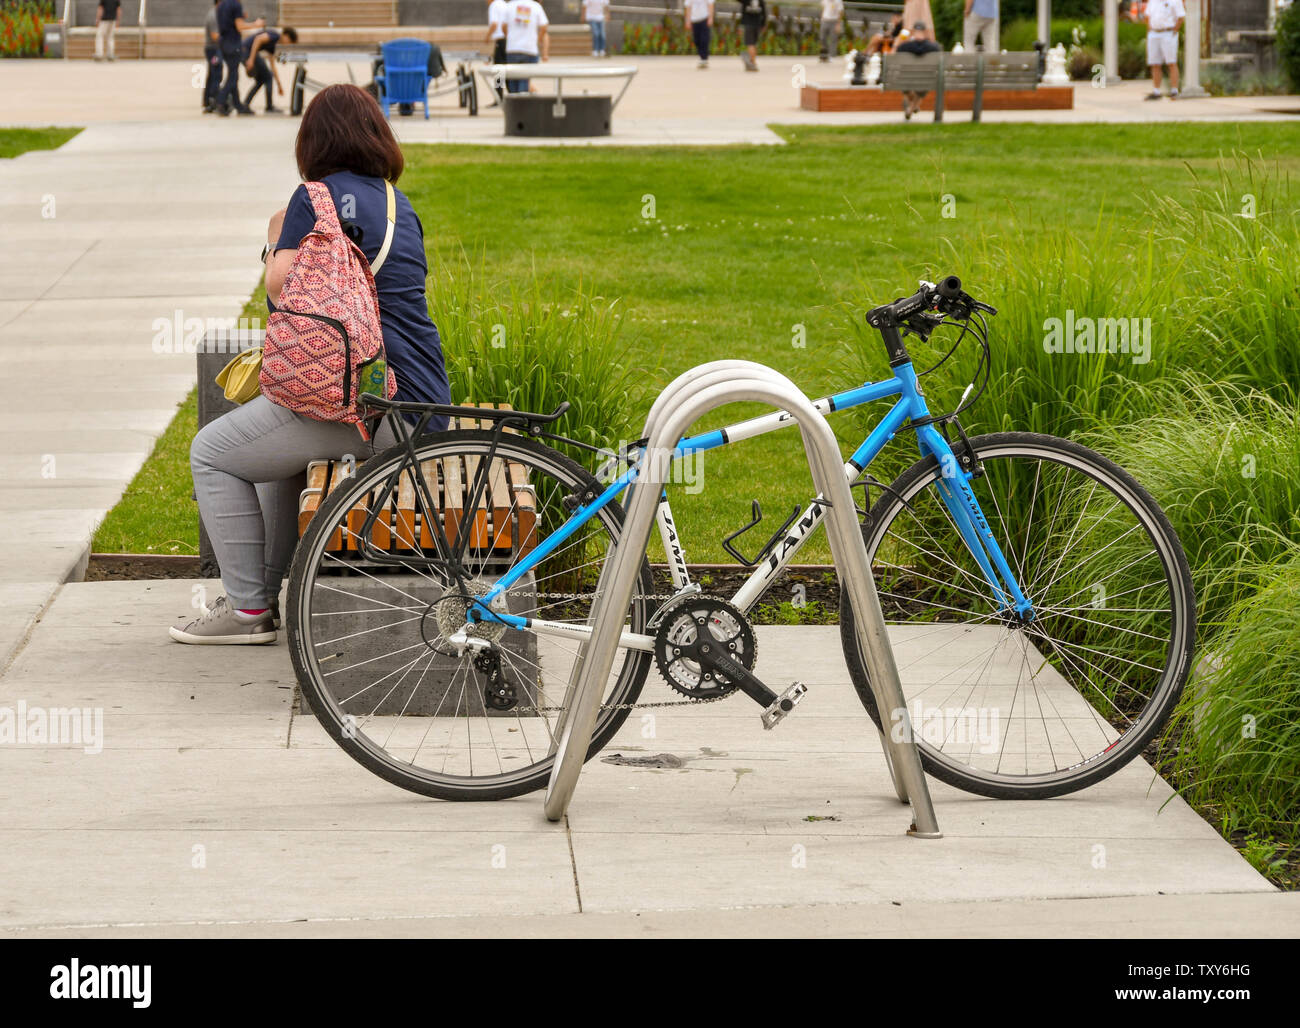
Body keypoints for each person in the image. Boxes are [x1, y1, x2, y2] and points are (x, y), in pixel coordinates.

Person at [172, 85, 450, 646]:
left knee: (212, 453)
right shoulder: (402, 205)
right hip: (422, 402)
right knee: (280, 443)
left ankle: (248, 612)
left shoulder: (312, 199)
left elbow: (282, 294)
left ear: (313, 140)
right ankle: (263, 599)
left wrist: (276, 236)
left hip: (370, 404)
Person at [215, 0, 265, 116]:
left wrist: (240, 16)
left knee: (234, 75)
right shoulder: (236, 4)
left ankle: (238, 105)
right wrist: (256, 24)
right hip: (233, 44)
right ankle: (220, 101)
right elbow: (240, 26)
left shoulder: (222, 4)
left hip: (223, 43)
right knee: (233, 76)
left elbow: (228, 22)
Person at [242, 25, 298, 113]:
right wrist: (251, 59)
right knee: (268, 77)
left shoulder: (272, 45)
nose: (288, 44)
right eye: (289, 41)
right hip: (247, 51)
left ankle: (245, 104)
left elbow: (273, 66)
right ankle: (269, 107)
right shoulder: (275, 36)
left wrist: (279, 85)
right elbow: (258, 39)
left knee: (262, 80)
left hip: (246, 51)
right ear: (286, 36)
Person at [894, 22, 940, 120]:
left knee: (907, 82)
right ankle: (913, 106)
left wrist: (899, 40)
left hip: (906, 81)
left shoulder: (904, 47)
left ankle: (911, 107)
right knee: (924, 82)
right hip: (926, 81)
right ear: (926, 32)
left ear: (913, 32)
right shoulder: (934, 48)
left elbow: (893, 54)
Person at [504, 0, 549, 94]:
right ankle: (517, 96)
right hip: (528, 48)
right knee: (523, 78)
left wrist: (510, 37)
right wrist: (537, 40)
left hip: (510, 47)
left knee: (509, 76)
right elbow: (544, 26)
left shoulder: (508, 6)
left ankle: (501, 94)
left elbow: (500, 25)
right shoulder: (535, 6)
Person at [1144, 0, 1184, 99]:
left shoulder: (1175, 1)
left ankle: (1174, 90)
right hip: (1154, 33)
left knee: (1171, 62)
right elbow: (1147, 15)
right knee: (1155, 63)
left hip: (1168, 32)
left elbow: (1181, 17)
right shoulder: (1152, 1)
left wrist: (1174, 30)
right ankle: (1156, 91)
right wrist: (1149, 28)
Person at [486, 0, 509, 101]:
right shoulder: (504, 4)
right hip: (508, 41)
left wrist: (487, 36)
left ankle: (499, 96)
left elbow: (494, 24)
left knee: (499, 70)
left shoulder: (494, 6)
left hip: (500, 40)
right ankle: (512, 92)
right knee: (507, 68)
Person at [203, 1, 222, 113]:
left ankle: (207, 100)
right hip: (213, 51)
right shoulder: (214, 15)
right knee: (216, 74)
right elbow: (215, 36)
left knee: (212, 74)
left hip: (214, 49)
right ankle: (213, 100)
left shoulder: (216, 13)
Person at [685, 0, 714, 67]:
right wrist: (687, 21)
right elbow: (688, 7)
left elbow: (710, 5)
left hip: (704, 19)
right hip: (694, 20)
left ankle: (704, 58)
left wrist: (710, 18)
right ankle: (702, 56)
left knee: (704, 39)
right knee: (696, 40)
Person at [739, 0, 766, 71]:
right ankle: (753, 61)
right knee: (754, 44)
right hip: (757, 24)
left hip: (748, 24)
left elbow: (743, 12)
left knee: (750, 44)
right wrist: (763, 24)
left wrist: (741, 25)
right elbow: (764, 13)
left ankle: (753, 63)